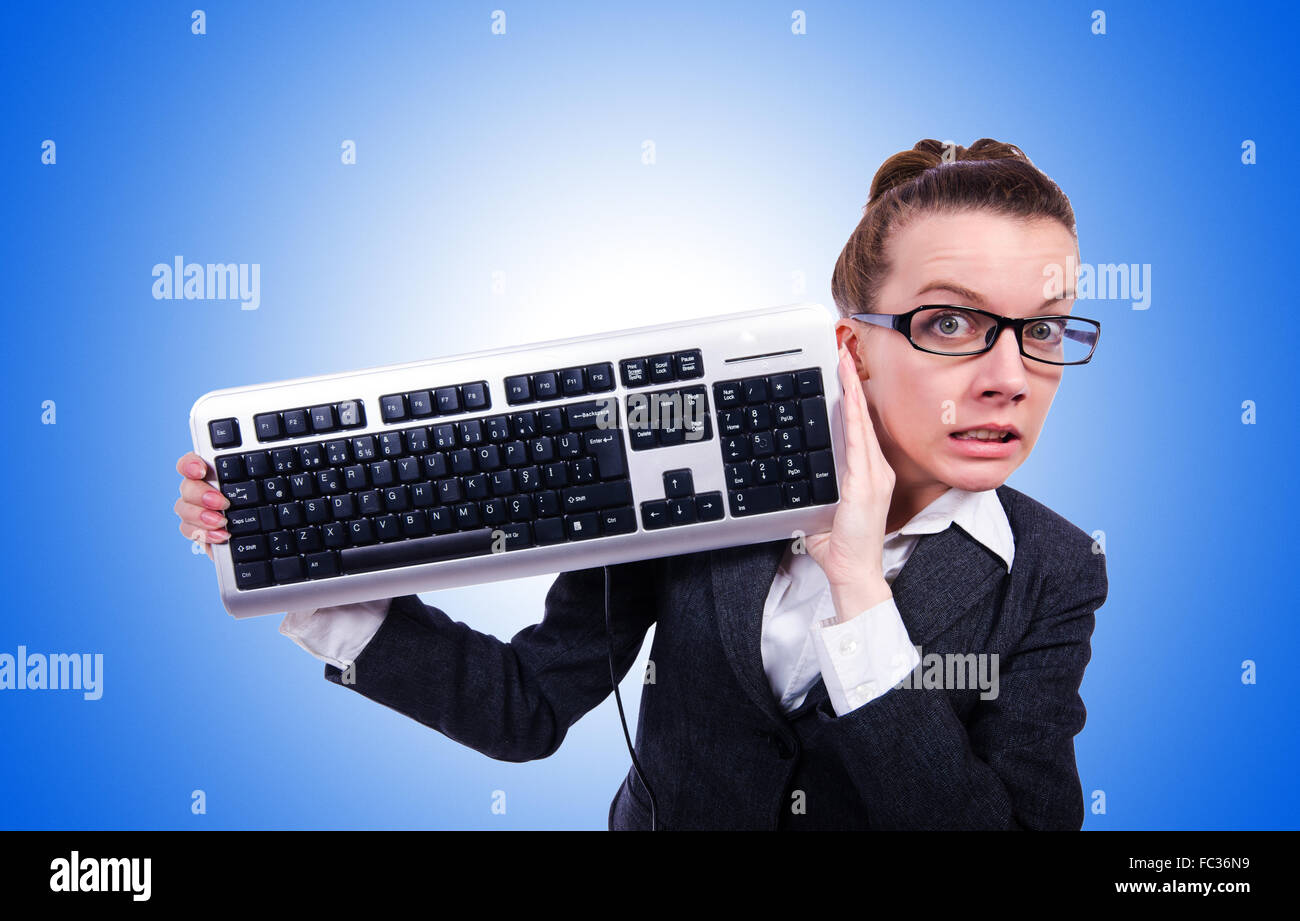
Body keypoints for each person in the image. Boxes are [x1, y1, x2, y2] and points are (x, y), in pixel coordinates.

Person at [173, 138, 1108, 830]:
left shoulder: (1054, 571)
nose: (1011, 375)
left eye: (1045, 328)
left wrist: (859, 588)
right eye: (951, 322)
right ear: (848, 345)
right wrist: (294, 552)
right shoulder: (695, 483)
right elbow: (523, 708)